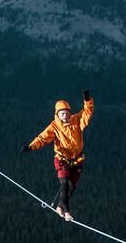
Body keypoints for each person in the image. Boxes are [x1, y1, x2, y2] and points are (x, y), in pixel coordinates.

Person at [21, 90, 93, 220]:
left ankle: (60, 206)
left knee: (72, 186)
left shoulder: (77, 120)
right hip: (62, 159)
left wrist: (87, 100)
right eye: (62, 113)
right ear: (57, 114)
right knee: (64, 183)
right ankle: (67, 212)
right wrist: (31, 146)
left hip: (77, 159)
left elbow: (88, 113)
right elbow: (43, 138)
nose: (65, 115)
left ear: (70, 113)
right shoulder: (54, 126)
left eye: (66, 113)